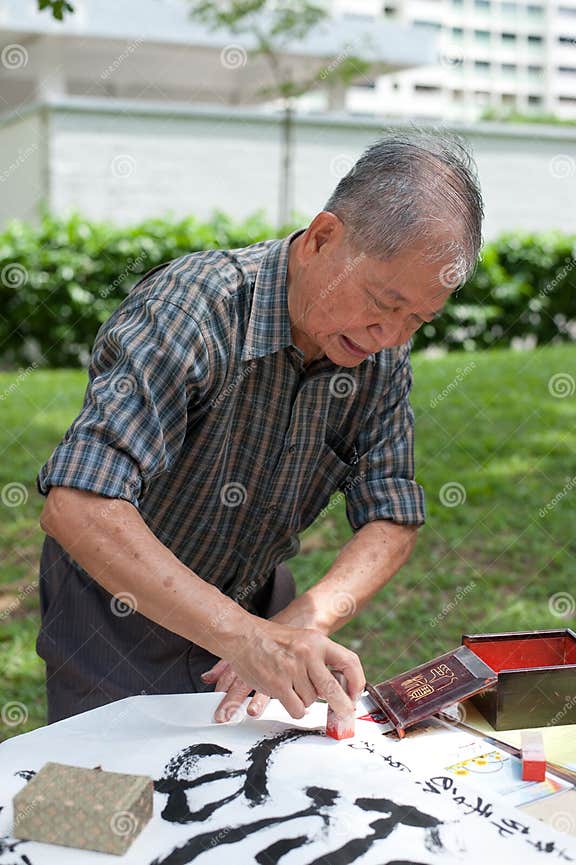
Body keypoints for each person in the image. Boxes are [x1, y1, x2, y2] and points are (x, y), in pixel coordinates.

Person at [36, 130, 484, 725]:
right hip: (117, 610)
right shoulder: (192, 309)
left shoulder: (377, 353)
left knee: (257, 800)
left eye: (418, 320)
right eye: (382, 302)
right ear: (322, 239)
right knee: (113, 802)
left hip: (257, 600)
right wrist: (245, 637)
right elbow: (80, 505)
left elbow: (391, 516)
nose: (392, 337)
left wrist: (308, 617)